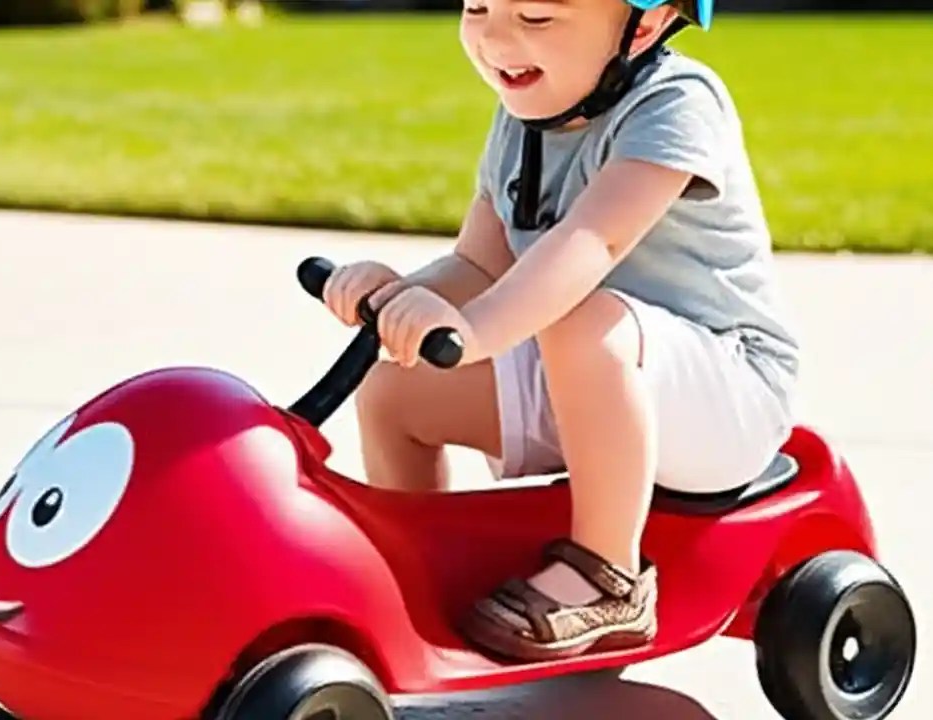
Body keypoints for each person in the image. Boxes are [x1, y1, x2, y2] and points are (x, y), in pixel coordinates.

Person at [320, 0, 800, 662]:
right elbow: (478, 265)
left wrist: (478, 332)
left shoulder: (677, 105)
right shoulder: (526, 117)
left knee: (583, 320)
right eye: (477, 7)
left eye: (536, 18)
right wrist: (399, 298)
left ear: (650, 21)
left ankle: (611, 581)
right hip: (587, 371)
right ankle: (414, 562)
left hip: (726, 395)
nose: (494, 38)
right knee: (396, 386)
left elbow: (593, 244)